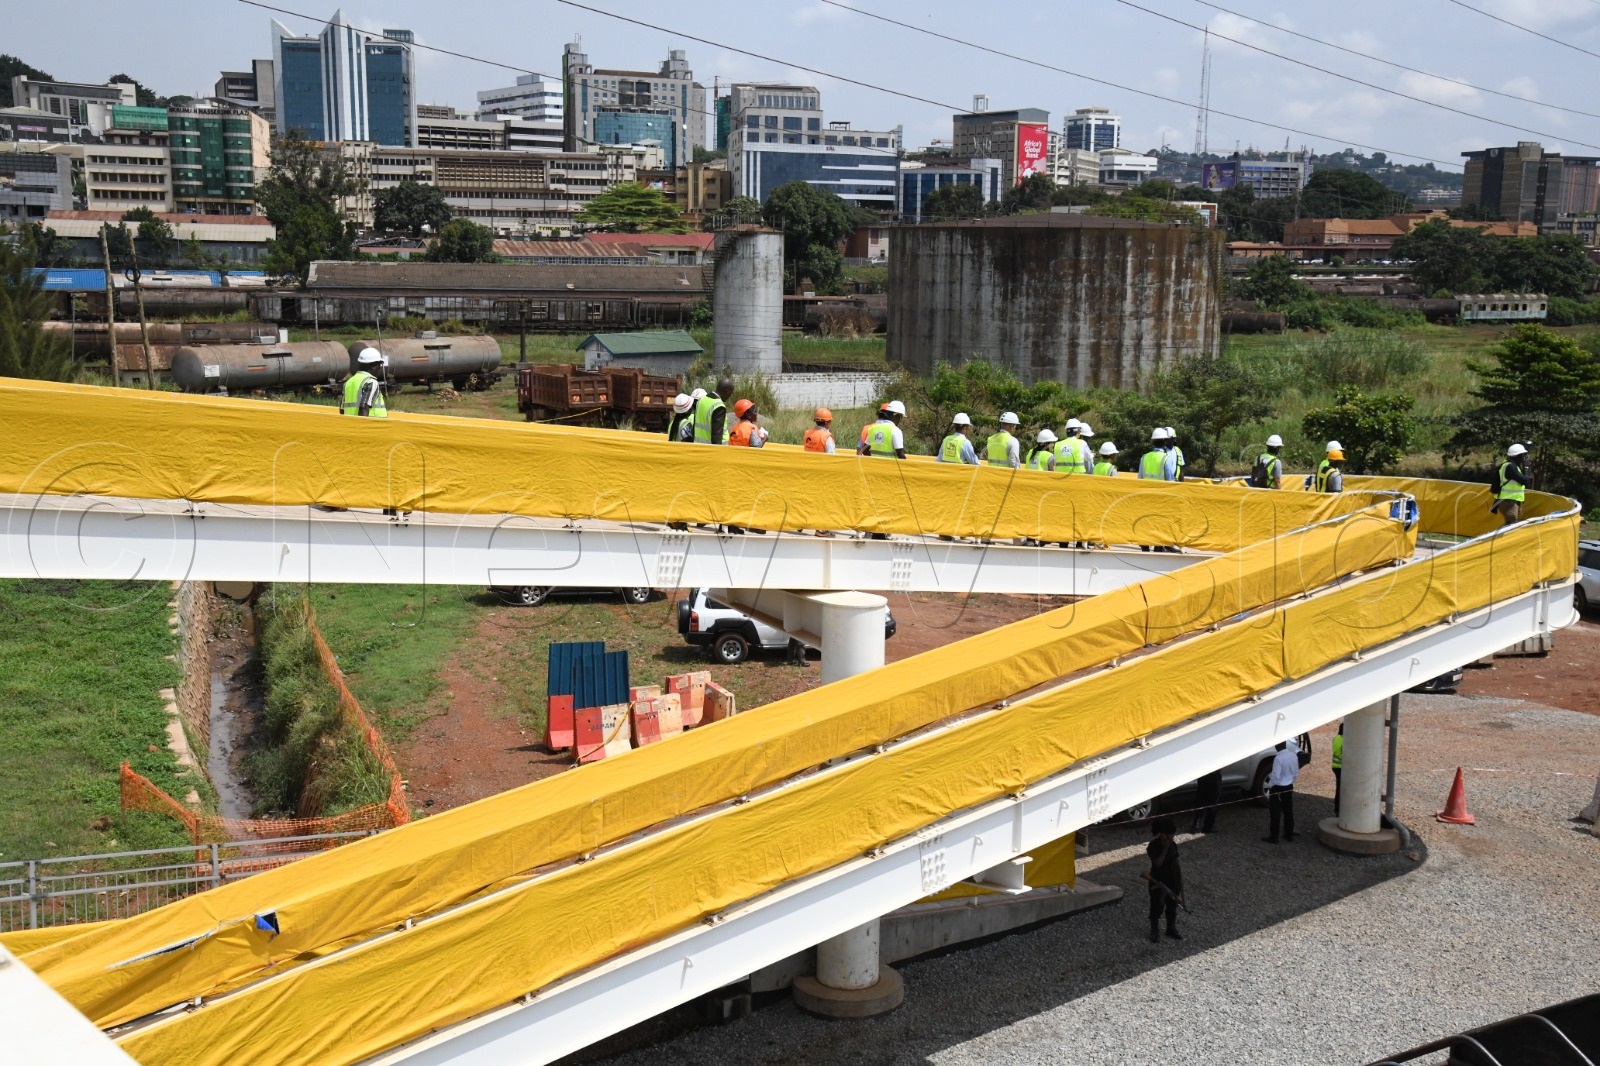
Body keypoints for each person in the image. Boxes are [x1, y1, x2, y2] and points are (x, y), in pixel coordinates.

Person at [1144, 817, 1184, 943]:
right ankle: (1154, 930)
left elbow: (1176, 861)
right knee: (1157, 906)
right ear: (1163, 834)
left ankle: (1171, 928)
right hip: (1159, 881)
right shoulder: (1153, 846)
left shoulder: (1173, 845)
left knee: (1172, 906)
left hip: (1173, 880)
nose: (1172, 837)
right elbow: (1157, 863)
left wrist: (1180, 879)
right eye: (1170, 835)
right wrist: (1165, 848)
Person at [1263, 740, 1301, 843]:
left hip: (1278, 787)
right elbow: (1296, 772)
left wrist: (1270, 786)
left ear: (1277, 746)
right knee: (1288, 810)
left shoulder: (1278, 758)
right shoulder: (1293, 756)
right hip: (1288, 786)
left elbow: (1275, 775)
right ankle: (1289, 833)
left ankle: (1274, 836)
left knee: (1275, 812)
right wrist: (1291, 781)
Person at [341, 348, 389, 418]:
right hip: (373, 426)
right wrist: (362, 427)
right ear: (372, 366)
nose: (380, 368)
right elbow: (363, 407)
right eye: (379, 366)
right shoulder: (371, 382)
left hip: (350, 426)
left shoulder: (348, 383)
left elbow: (342, 409)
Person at [1492, 442, 1529, 525]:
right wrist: (1526, 468)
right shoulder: (1510, 467)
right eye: (1522, 456)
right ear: (1517, 456)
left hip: (1512, 501)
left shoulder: (1511, 466)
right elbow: (1524, 480)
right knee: (1511, 525)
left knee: (1513, 525)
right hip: (1508, 502)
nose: (1524, 458)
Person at [1191, 768, 1223, 833]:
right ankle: (1208, 826)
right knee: (1213, 801)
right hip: (1214, 773)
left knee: (1201, 799)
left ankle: (1196, 824)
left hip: (1203, 773)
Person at [1331, 723, 1345, 816]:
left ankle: (1337, 810)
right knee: (1342, 790)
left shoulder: (1336, 738)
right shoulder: (1345, 739)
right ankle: (1339, 809)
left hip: (1335, 766)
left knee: (1339, 788)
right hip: (1342, 768)